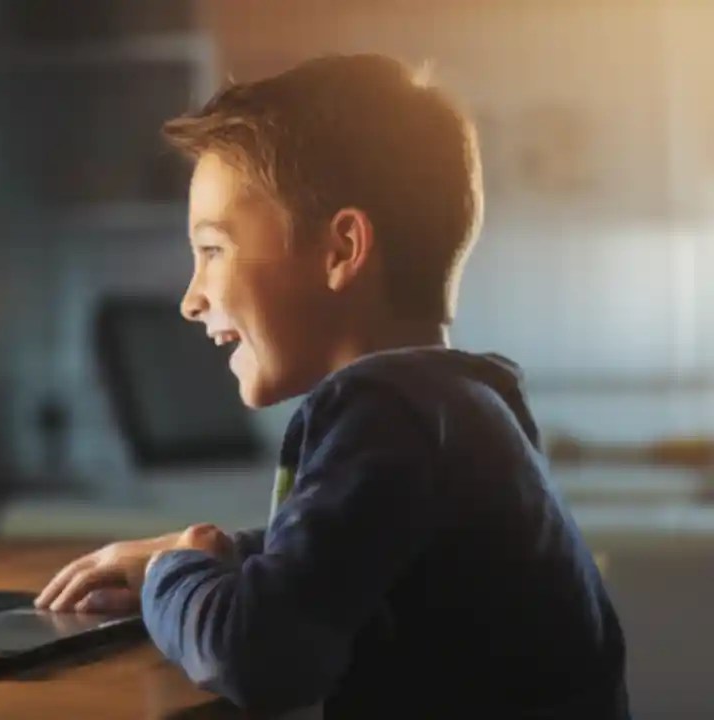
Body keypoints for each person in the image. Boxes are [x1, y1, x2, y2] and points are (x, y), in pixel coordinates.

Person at [33, 53, 631, 719]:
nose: (191, 299)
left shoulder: (381, 408)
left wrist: (178, 574)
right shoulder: (460, 403)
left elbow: (256, 657)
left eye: (212, 251)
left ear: (342, 250)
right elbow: (353, 545)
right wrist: (217, 554)